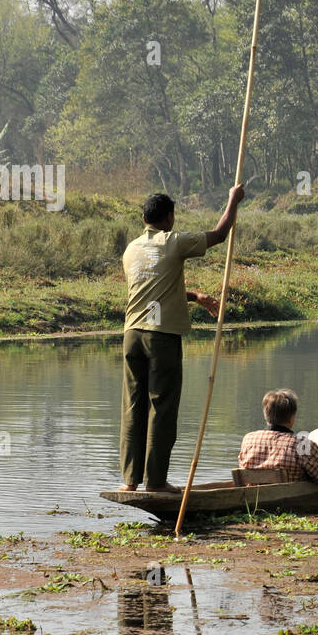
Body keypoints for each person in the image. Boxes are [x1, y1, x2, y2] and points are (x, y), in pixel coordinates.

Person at [119, 183, 243, 492]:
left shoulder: (132, 249)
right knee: (161, 407)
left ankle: (129, 481)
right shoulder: (172, 241)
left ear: (144, 218)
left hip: (133, 334)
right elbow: (218, 235)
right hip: (161, 338)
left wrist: (195, 296)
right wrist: (233, 200)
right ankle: (156, 482)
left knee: (133, 406)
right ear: (169, 217)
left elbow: (154, 290)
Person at [238, 389, 318, 483]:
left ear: (266, 416)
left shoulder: (248, 439)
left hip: (251, 495)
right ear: (292, 418)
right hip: (292, 496)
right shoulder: (302, 444)